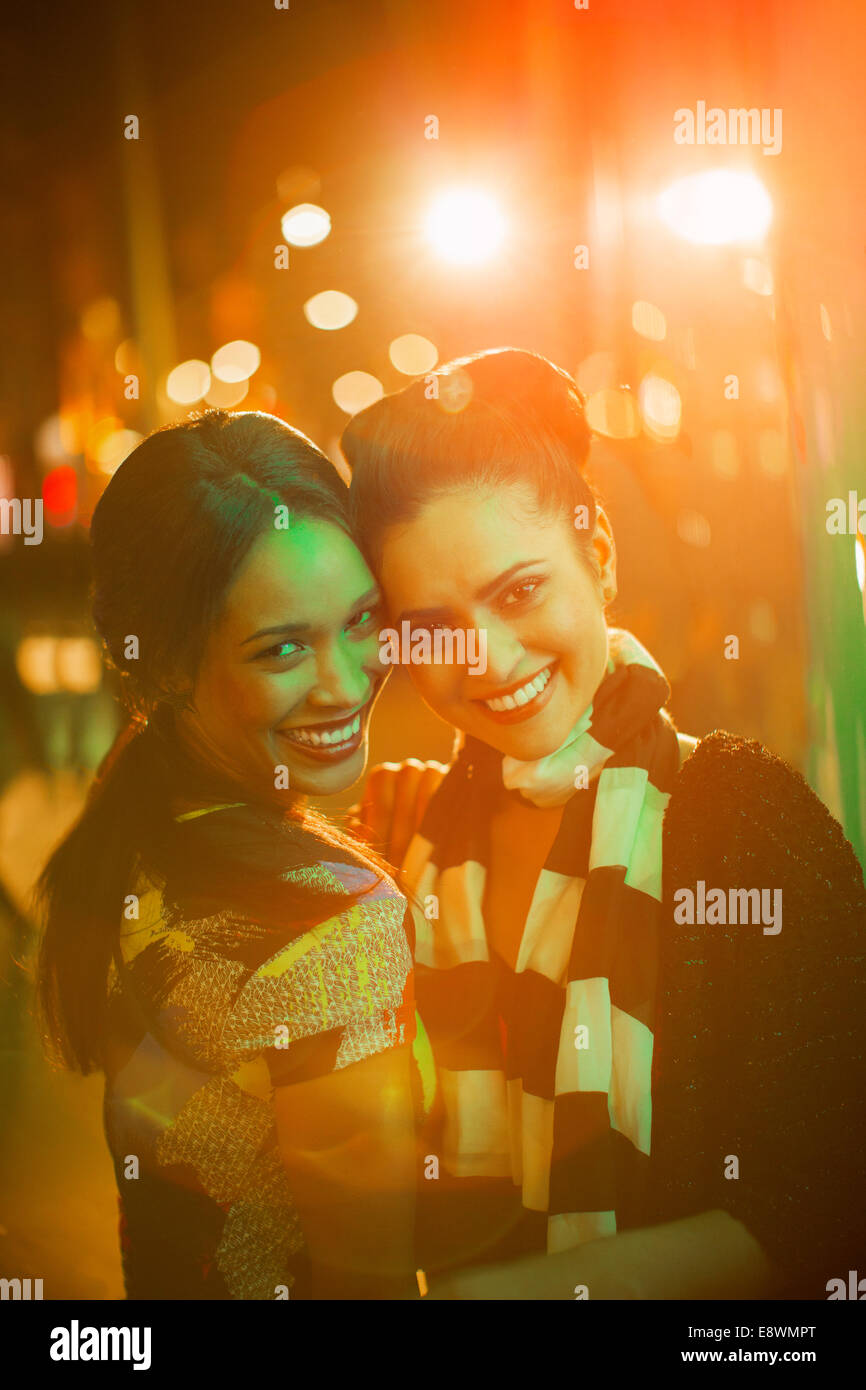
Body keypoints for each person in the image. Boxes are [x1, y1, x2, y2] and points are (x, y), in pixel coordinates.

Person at [342, 347, 866, 1299]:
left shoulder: (741, 819)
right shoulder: (408, 840)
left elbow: (828, 1203)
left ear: (602, 558)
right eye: (435, 626)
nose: (489, 660)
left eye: (520, 591)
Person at [36, 408, 418, 1300]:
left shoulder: (136, 810)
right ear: (171, 661)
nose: (346, 681)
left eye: (362, 620)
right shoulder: (340, 927)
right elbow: (374, 1288)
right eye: (282, 647)